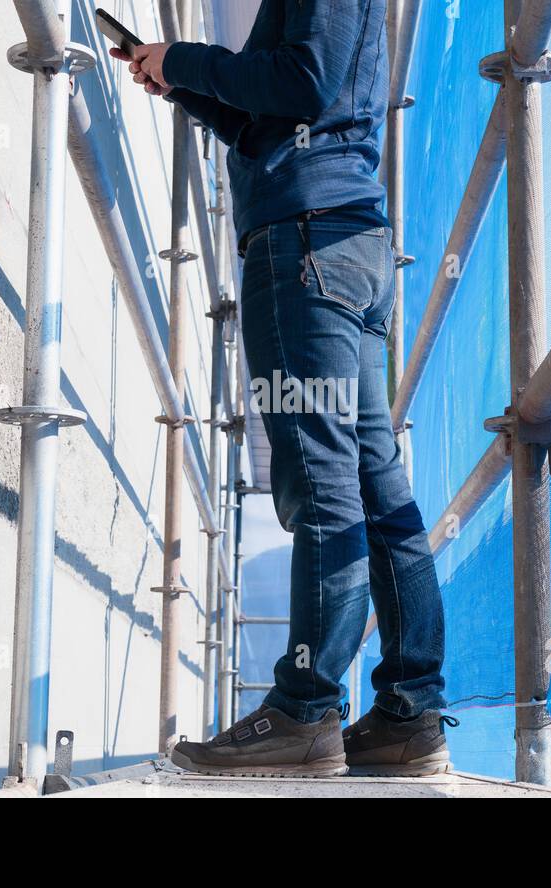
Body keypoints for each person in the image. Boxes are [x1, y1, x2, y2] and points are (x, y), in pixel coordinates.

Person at [110, 0, 452, 777]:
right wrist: (184, 84)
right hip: (340, 239)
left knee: (323, 482)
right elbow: (280, 118)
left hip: (306, 244)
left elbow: (303, 80)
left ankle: (305, 712)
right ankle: (410, 714)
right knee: (371, 484)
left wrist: (190, 58)